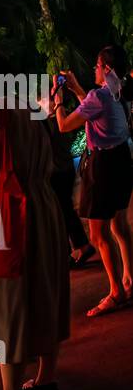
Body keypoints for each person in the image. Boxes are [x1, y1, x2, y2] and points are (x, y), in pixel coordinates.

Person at [0, 52, 70, 390]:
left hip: (13, 213)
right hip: (44, 206)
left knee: (6, 302)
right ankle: (45, 379)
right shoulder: (31, 109)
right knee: (45, 289)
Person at [53, 47, 133, 317]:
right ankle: (129, 280)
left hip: (102, 168)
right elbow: (92, 107)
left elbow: (64, 125)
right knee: (120, 225)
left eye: (97, 66)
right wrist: (77, 89)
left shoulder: (99, 95)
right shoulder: (118, 93)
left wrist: (57, 100)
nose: (94, 70)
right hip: (121, 160)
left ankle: (115, 292)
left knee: (98, 235)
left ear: (107, 69)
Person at [44, 105, 94, 268]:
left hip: (56, 172)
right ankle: (79, 247)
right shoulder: (60, 121)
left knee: (59, 212)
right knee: (65, 210)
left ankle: (69, 251)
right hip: (65, 169)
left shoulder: (49, 124)